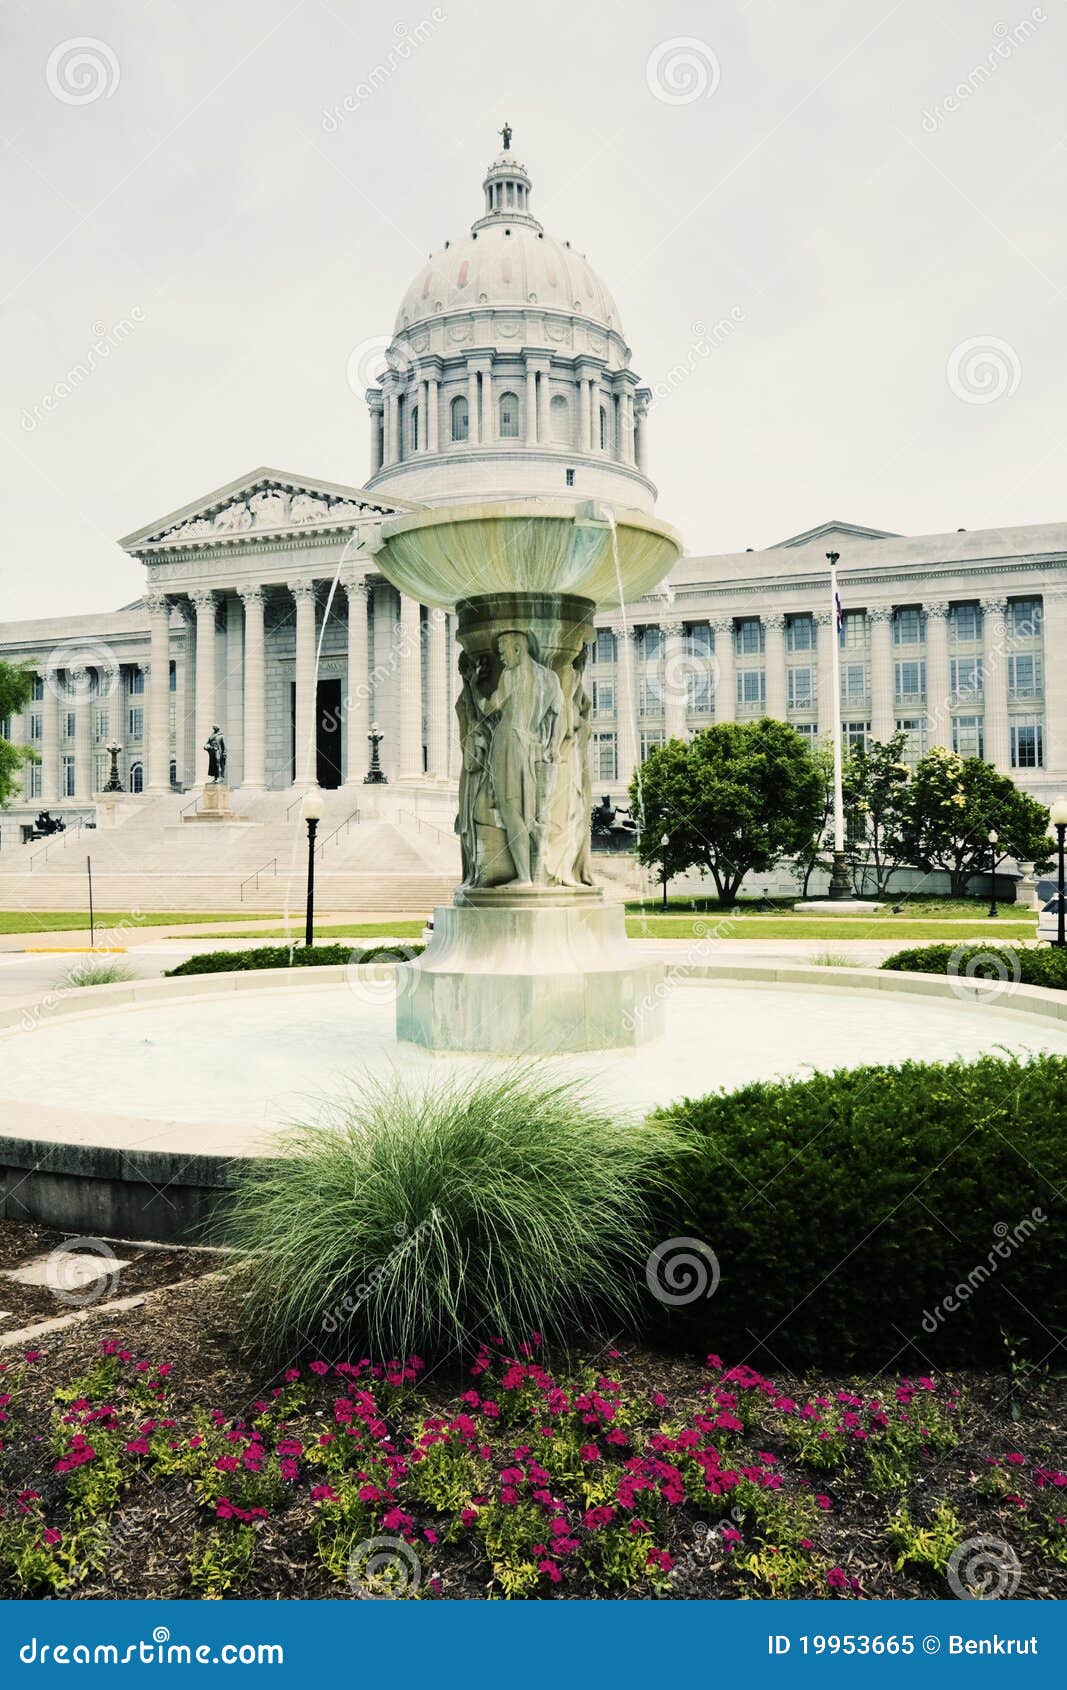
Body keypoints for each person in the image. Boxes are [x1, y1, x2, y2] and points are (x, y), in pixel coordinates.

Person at [479, 631, 562, 885]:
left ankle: (524, 876)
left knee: (510, 810)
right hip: (529, 744)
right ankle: (536, 870)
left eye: (503, 653)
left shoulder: (511, 675)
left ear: (517, 649)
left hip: (507, 741)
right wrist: (553, 746)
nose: (502, 659)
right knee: (527, 812)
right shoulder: (550, 677)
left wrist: (474, 685)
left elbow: (490, 707)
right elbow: (558, 716)